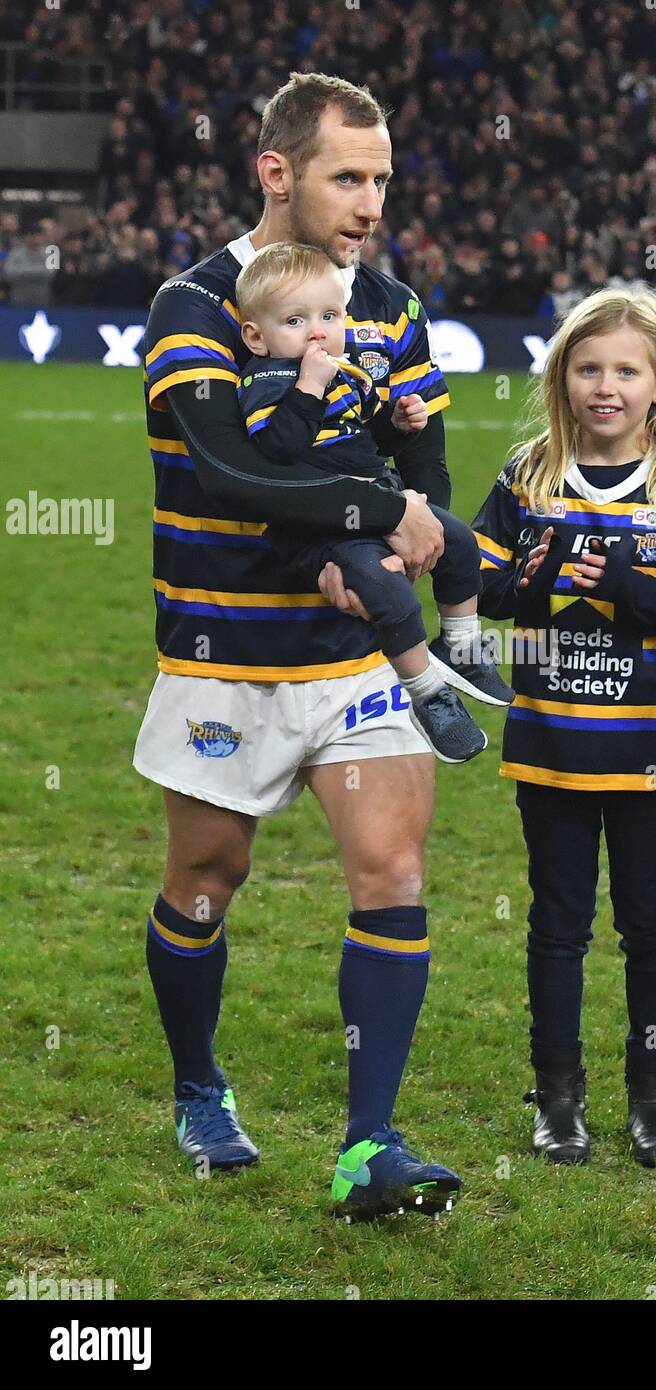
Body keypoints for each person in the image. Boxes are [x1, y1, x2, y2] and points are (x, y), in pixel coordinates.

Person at [133, 71, 462, 1221]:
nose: (371, 201)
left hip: (348, 655)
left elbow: (426, 481)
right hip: (225, 650)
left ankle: (368, 1145)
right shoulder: (196, 303)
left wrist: (417, 542)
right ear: (275, 171)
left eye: (380, 177)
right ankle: (198, 1086)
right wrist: (376, 518)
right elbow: (230, 472)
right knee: (206, 884)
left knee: (392, 872)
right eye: (346, 176)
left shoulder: (394, 310)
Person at [471, 288, 656, 1166]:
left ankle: (653, 1100)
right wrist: (544, 577)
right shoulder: (527, 476)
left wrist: (603, 575)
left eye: (624, 370)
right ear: (560, 376)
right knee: (557, 923)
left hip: (652, 750)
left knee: (649, 923)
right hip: (552, 743)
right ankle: (559, 1098)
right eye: (586, 368)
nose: (603, 387)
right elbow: (485, 592)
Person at [233, 240, 512, 764]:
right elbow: (279, 451)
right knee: (388, 591)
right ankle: (427, 692)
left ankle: (462, 642)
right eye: (296, 321)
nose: (317, 331)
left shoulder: (342, 370)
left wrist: (398, 423)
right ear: (257, 336)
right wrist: (308, 389)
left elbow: (360, 434)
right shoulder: (264, 379)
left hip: (375, 498)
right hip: (318, 528)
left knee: (456, 538)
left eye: (330, 316)